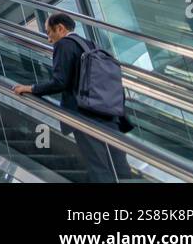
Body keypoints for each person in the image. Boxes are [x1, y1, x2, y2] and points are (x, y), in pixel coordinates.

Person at [12, 14, 134, 182]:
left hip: (84, 113)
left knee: (99, 166)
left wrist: (30, 88)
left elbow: (59, 82)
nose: (49, 39)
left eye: (49, 33)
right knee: (120, 165)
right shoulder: (92, 45)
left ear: (60, 28)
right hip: (110, 113)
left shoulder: (64, 45)